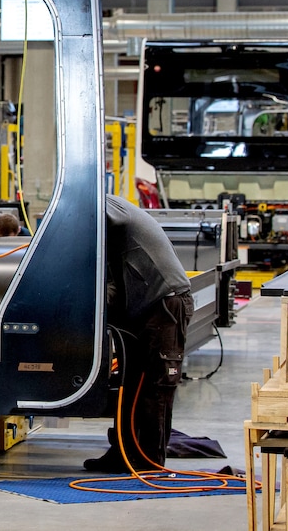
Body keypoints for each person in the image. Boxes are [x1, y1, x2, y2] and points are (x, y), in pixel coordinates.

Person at [85, 194, 194, 473]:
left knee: (155, 387)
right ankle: (123, 453)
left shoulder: (106, 206)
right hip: (142, 307)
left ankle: (150, 463)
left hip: (164, 304)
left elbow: (93, 221)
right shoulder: (101, 221)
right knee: (129, 384)